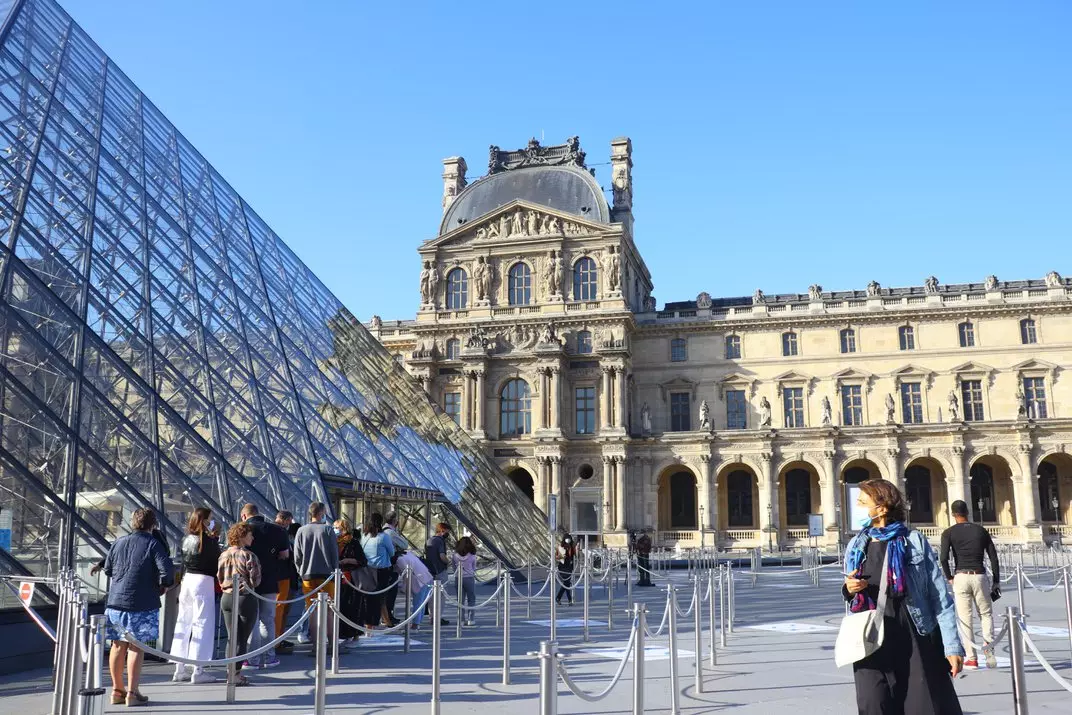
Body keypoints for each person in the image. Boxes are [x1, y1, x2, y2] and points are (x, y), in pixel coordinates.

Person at [843, 479, 964, 714]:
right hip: (869, 635)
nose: (855, 507)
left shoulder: (914, 541)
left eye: (861, 502)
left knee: (920, 705)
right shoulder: (856, 545)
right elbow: (849, 591)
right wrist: (849, 588)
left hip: (912, 631)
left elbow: (939, 595)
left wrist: (952, 646)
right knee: (872, 703)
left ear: (882, 508)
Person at [103, 507, 174, 707]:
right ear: (153, 525)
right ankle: (132, 693)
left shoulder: (118, 542)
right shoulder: (153, 544)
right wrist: (163, 585)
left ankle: (117, 690)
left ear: (133, 522)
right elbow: (167, 571)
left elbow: (108, 569)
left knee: (117, 645)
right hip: (142, 603)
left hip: (116, 602)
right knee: (137, 647)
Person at [940, 500, 1000, 670]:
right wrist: (996, 581)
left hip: (960, 576)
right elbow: (993, 557)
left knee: (965, 618)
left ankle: (972, 658)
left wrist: (949, 577)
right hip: (979, 575)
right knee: (986, 614)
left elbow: (943, 558)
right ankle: (989, 649)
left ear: (952, 514)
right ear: (968, 512)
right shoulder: (980, 530)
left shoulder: (949, 533)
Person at [169, 507, 220, 684]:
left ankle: (179, 668)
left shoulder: (186, 539)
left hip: (187, 580)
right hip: (203, 581)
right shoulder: (209, 541)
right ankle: (198, 670)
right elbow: (215, 564)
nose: (212, 521)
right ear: (205, 521)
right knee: (202, 624)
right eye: (210, 518)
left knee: (183, 622)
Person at [240, 503, 290, 669]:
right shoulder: (277, 530)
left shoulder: (243, 530)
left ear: (244, 516)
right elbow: (285, 555)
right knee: (268, 620)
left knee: (252, 620)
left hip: (248, 582)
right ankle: (270, 657)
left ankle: (252, 659)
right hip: (269, 580)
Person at [217, 522, 261, 687]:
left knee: (231, 637)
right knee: (242, 639)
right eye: (250, 534)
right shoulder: (249, 555)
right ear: (242, 536)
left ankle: (230, 671)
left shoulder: (223, 554)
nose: (252, 537)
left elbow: (220, 577)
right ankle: (235, 674)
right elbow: (255, 580)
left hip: (226, 597)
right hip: (245, 598)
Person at [294, 502, 339, 644]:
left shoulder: (301, 530)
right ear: (321, 513)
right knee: (329, 610)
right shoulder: (328, 530)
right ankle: (332, 643)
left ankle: (315, 644)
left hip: (308, 575)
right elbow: (334, 554)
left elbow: (297, 556)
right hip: (327, 576)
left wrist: (301, 571)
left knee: (311, 610)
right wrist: (335, 571)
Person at [359, 512, 395, 629]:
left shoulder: (364, 536)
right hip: (381, 570)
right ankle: (374, 623)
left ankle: (373, 622)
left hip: (367, 570)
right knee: (379, 598)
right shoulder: (384, 537)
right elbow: (392, 552)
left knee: (369, 597)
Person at [335, 518, 366, 643]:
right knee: (340, 606)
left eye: (338, 528)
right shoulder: (334, 541)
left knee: (351, 606)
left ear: (344, 528)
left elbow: (362, 561)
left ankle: (353, 633)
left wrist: (347, 561)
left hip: (350, 578)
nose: (336, 530)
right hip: (336, 577)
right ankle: (341, 632)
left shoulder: (352, 542)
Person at [273, 511, 296, 654]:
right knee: (279, 608)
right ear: (286, 520)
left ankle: (278, 638)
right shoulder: (280, 532)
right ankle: (277, 640)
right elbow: (285, 555)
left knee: (280, 609)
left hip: (278, 575)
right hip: (282, 575)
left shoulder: (274, 529)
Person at [395, 549, 433, 629]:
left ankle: (415, 624)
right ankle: (418, 622)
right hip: (427, 576)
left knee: (418, 603)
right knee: (422, 603)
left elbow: (407, 574)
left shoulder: (399, 560)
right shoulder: (408, 553)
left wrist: (403, 588)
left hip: (419, 580)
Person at [383, 511, 408, 624]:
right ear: (394, 521)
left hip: (384, 565)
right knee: (391, 592)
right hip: (391, 566)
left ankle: (386, 615)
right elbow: (404, 544)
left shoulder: (383, 531)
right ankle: (388, 616)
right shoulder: (391, 533)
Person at [424, 522, 451, 626]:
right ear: (442, 530)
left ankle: (432, 617)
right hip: (440, 570)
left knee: (431, 596)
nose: (447, 534)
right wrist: (448, 562)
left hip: (430, 570)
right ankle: (438, 618)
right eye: (447, 531)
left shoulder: (429, 540)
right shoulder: (440, 541)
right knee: (441, 596)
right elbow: (442, 556)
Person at [452, 536, 478, 626]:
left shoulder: (455, 556)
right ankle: (471, 619)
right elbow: (474, 568)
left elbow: (454, 568)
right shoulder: (472, 556)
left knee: (460, 600)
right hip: (469, 578)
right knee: (471, 599)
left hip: (458, 578)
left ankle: (461, 619)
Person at [555, 533, 575, 606]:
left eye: (569, 538)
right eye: (567, 538)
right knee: (566, 583)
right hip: (562, 567)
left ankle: (558, 598)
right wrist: (562, 556)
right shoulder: (561, 547)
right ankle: (569, 600)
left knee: (566, 583)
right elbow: (557, 557)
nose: (568, 540)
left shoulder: (571, 547)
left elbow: (574, 556)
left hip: (569, 567)